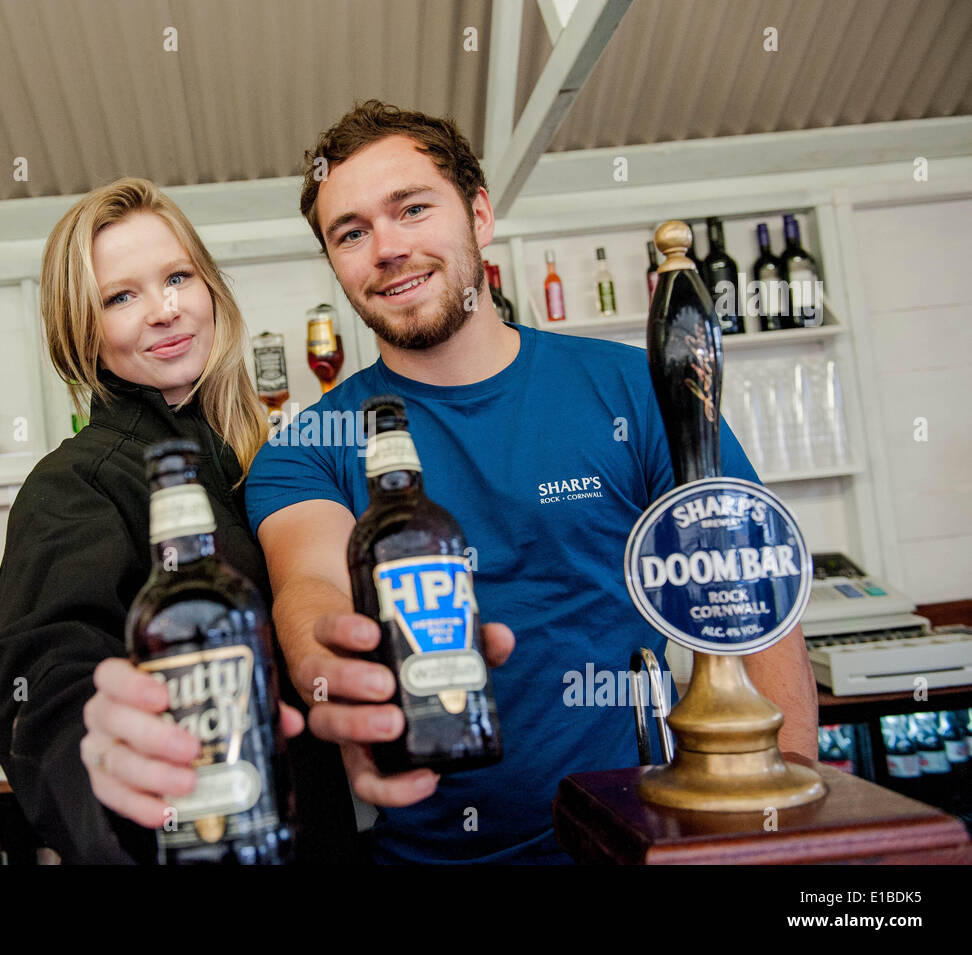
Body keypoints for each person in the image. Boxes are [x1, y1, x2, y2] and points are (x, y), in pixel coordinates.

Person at [245, 101, 820, 864]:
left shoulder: (636, 390)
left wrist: (788, 835)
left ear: (479, 215)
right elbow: (309, 585)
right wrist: (328, 669)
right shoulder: (308, 445)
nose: (387, 248)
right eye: (351, 232)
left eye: (412, 208)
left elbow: (755, 608)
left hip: (639, 840)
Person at [0, 177, 356, 864]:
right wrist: (102, 763)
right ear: (82, 334)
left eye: (177, 277)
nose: (165, 310)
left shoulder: (254, 465)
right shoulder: (74, 484)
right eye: (120, 296)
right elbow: (46, 680)